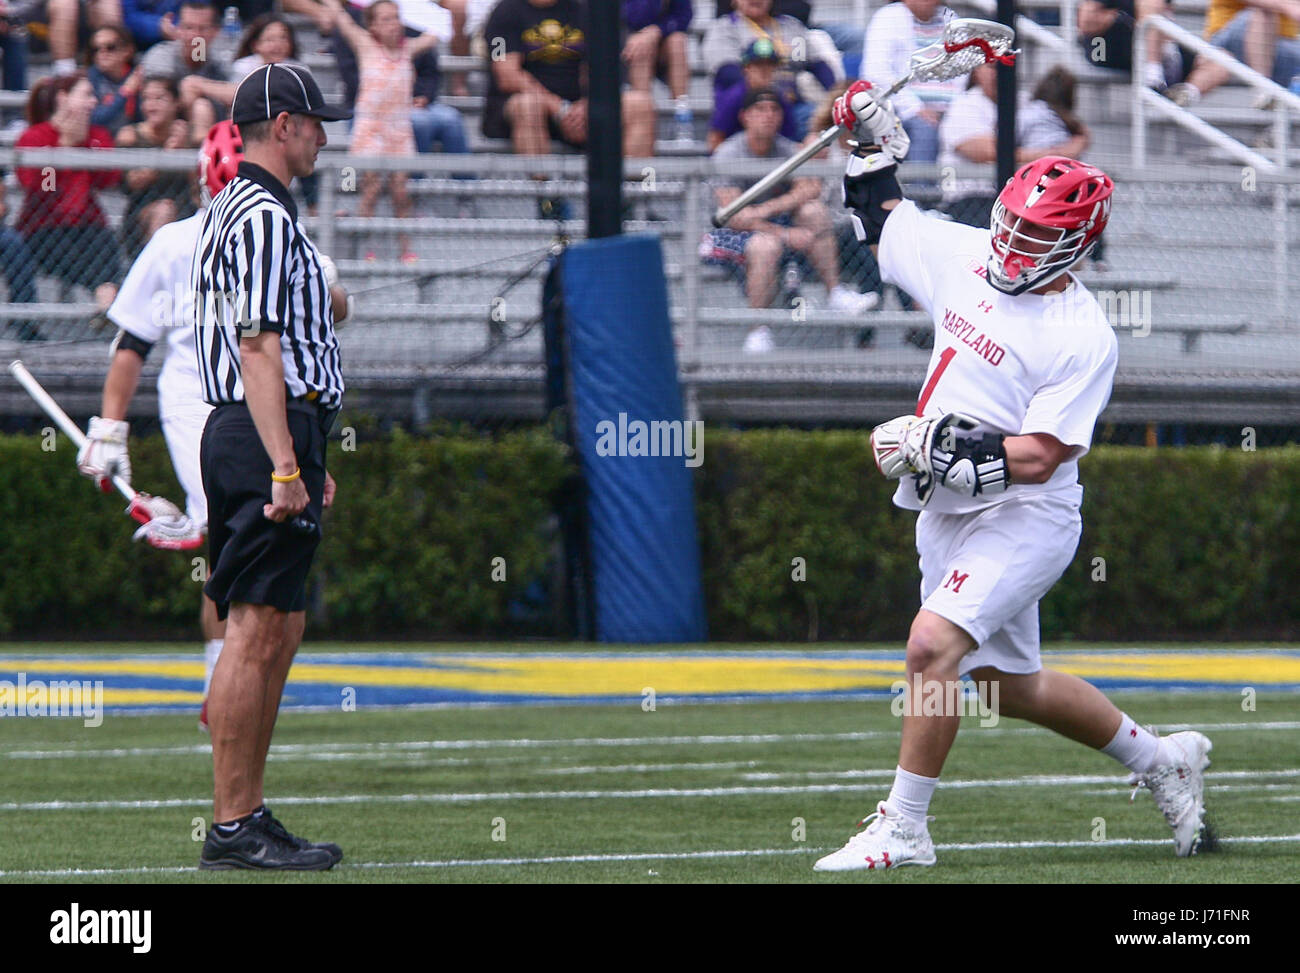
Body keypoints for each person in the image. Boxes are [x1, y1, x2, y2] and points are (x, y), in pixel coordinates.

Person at [810, 81, 1213, 872]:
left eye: (1037, 235)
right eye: (1014, 224)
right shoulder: (967, 252)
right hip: (952, 508)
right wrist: (866, 142)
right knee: (1002, 683)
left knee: (931, 648)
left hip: (1027, 515)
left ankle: (906, 828)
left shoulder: (1082, 333)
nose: (1014, 244)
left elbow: (1041, 454)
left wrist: (932, 444)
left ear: (1076, 244)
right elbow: (883, 218)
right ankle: (1160, 758)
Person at [192, 63, 352, 870]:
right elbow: (258, 342)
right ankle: (231, 822)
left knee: (277, 625)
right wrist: (286, 460)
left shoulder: (238, 208)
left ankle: (245, 809)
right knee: (257, 630)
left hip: (266, 429)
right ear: (283, 124)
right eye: (316, 120)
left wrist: (303, 447)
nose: (325, 135)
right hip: (261, 433)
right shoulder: (259, 214)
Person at [76, 122, 271, 729]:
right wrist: (110, 428)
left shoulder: (280, 235)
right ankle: (220, 686)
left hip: (266, 405)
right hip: (199, 403)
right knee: (228, 535)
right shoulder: (175, 244)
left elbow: (330, 304)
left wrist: (335, 292)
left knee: (264, 546)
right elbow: (133, 340)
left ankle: (235, 675)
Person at [701, 87, 880, 354]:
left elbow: (810, 189)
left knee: (814, 212)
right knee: (765, 246)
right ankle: (757, 330)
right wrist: (783, 233)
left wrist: (765, 210)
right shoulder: (729, 152)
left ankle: (835, 294)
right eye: (760, 110)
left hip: (769, 223)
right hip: (727, 235)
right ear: (744, 116)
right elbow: (733, 216)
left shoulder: (785, 148)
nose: (769, 116)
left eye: (774, 110)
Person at [482, 0, 655, 216]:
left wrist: (590, 105)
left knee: (640, 104)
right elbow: (506, 74)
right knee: (527, 105)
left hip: (582, 108)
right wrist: (560, 108)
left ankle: (634, 202)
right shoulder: (504, 12)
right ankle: (547, 201)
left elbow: (604, 64)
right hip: (526, 111)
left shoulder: (587, 10)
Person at [326, 0, 438, 263]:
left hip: (399, 129)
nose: (393, 24)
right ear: (373, 26)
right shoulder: (366, 45)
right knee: (372, 189)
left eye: (396, 18)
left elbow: (435, 34)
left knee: (401, 193)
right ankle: (368, 249)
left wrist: (423, 12)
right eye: (386, 19)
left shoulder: (408, 50)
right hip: (371, 127)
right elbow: (342, 19)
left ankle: (405, 249)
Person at [938, 63, 1090, 230]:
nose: (997, 74)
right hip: (970, 200)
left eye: (1002, 67)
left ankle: (1093, 256)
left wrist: (1079, 142)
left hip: (1022, 200)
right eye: (991, 67)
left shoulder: (1024, 100)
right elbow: (990, 153)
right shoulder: (965, 105)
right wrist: (1058, 154)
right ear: (976, 72)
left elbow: (1076, 128)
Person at [16, 74, 122, 312]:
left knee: (105, 246)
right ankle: (106, 301)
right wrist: (64, 146)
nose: (93, 102)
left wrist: (85, 149)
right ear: (63, 98)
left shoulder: (98, 135)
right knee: (71, 251)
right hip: (42, 226)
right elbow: (42, 187)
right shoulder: (35, 136)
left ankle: (106, 302)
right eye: (86, 95)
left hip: (88, 224)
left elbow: (110, 180)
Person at [703, 0, 837, 139]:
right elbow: (727, 72)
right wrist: (771, 94)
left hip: (794, 103)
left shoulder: (791, 25)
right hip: (749, 104)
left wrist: (835, 95)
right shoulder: (725, 27)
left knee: (820, 115)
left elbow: (818, 65)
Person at [861, 0, 962, 163]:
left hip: (950, 110)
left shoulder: (951, 19)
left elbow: (961, 70)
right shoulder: (887, 17)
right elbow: (875, 73)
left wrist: (955, 109)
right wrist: (915, 108)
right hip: (902, 112)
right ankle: (920, 188)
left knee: (966, 128)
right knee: (924, 129)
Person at [116, 75, 199, 255]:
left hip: (186, 209)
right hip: (142, 214)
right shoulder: (130, 135)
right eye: (146, 99)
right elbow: (132, 182)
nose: (151, 105)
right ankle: (160, 275)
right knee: (164, 210)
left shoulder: (189, 135)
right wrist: (166, 158)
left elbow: (199, 189)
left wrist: (185, 151)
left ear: (176, 103)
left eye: (159, 98)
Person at [1166, 0, 1300, 107]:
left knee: (1224, 60)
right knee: (1262, 11)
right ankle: (1263, 88)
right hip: (1228, 37)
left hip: (1280, 46)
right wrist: (1287, 6)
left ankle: (1189, 92)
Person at [138, 0, 236, 142]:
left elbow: (241, 95)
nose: (195, 36)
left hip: (211, 129)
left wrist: (198, 85)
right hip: (162, 131)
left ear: (216, 32)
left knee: (202, 108)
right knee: (200, 108)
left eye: (202, 29)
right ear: (178, 29)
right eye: (189, 28)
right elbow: (153, 102)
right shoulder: (161, 56)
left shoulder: (220, 59)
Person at [708, 37, 800, 152]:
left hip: (774, 159)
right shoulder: (733, 97)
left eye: (769, 64)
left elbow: (789, 137)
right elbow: (716, 138)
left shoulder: (780, 98)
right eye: (758, 64)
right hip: (737, 160)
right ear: (746, 68)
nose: (764, 70)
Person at [1077, 0, 1182, 91]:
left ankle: (1182, 89)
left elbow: (1167, 14)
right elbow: (1086, 22)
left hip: (1141, 48)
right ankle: (1153, 75)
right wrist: (1117, 17)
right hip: (1101, 48)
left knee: (1194, 57)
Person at [623, 0, 693, 132]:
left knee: (678, 41)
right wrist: (645, 34)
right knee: (640, 48)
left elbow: (684, 17)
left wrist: (657, 30)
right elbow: (630, 17)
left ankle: (682, 120)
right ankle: (642, 118)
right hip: (629, 43)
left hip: (663, 40)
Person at [86, 23, 142, 134]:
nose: (102, 53)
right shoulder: (90, 79)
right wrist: (125, 92)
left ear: (127, 51)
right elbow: (95, 120)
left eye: (110, 47)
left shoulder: (138, 76)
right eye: (96, 49)